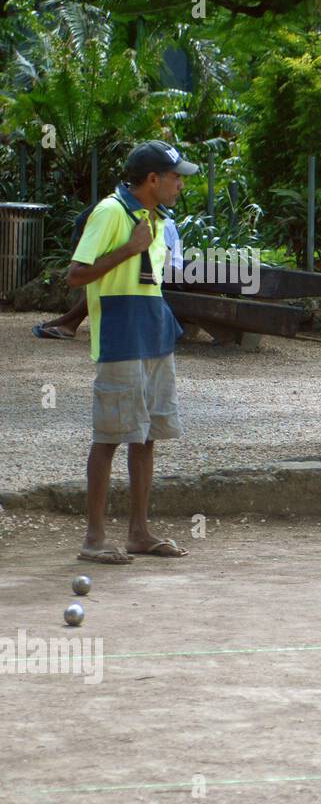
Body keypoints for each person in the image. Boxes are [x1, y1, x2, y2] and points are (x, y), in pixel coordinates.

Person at [68, 140, 197, 563]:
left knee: (147, 436)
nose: (181, 183)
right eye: (176, 176)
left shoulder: (157, 218)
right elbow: (75, 276)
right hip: (121, 336)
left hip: (154, 334)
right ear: (153, 179)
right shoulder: (109, 212)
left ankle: (139, 533)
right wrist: (129, 248)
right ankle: (94, 538)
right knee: (109, 437)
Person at [34, 211, 184, 340]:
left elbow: (160, 261)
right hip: (153, 273)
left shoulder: (158, 223)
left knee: (110, 277)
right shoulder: (134, 222)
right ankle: (68, 323)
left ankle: (67, 322)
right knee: (105, 275)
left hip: (170, 276)